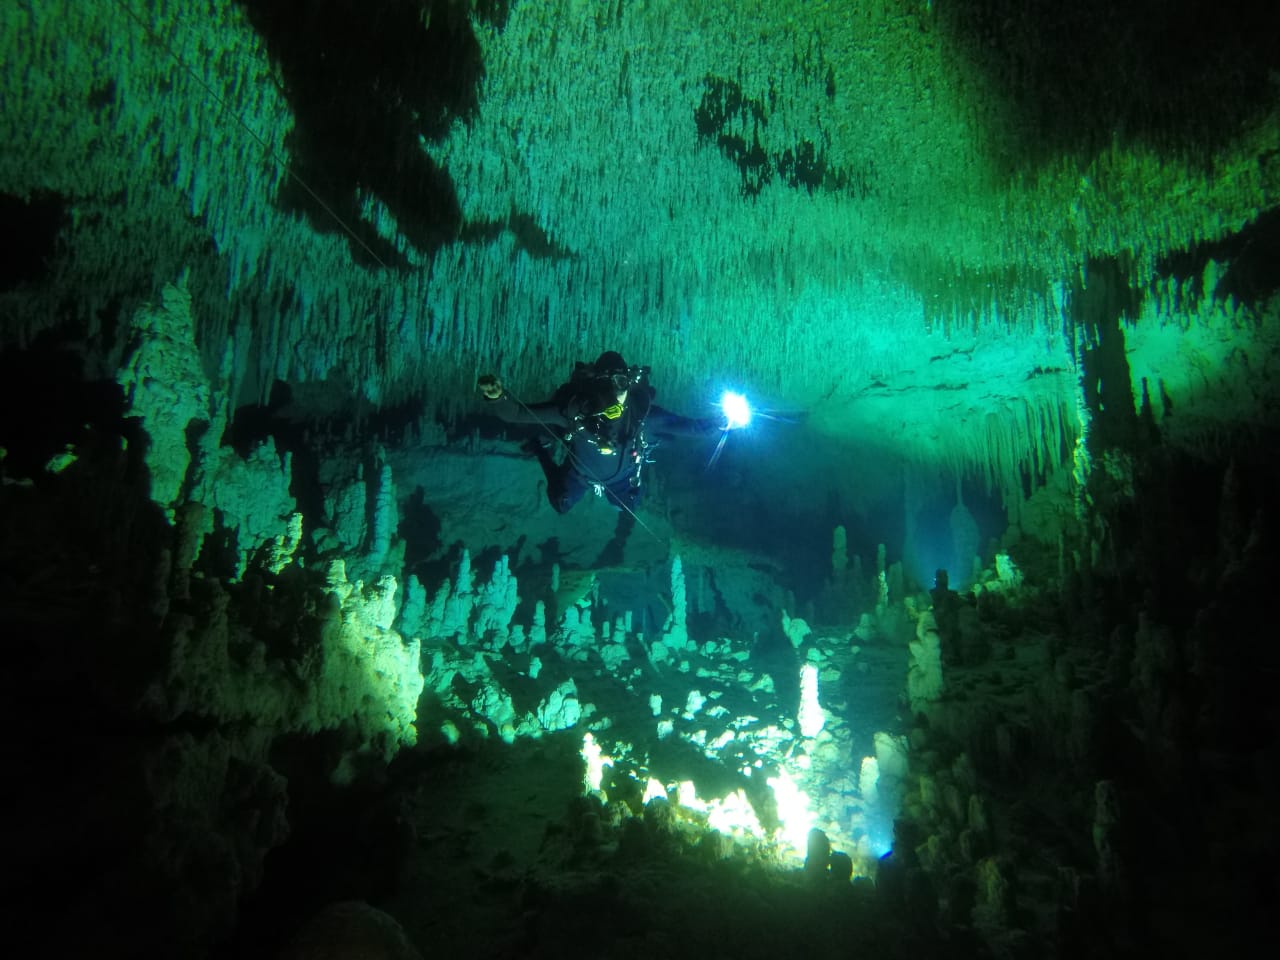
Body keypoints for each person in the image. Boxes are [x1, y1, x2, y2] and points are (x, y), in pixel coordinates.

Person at [477, 351, 723, 514]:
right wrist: (497, 397)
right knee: (560, 503)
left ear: (628, 384)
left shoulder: (641, 417)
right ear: (594, 386)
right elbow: (517, 413)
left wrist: (725, 422)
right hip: (580, 475)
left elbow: (694, 428)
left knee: (629, 506)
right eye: (606, 385)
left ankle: (658, 445)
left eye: (620, 384)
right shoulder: (573, 412)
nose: (613, 394)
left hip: (621, 478)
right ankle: (541, 449)